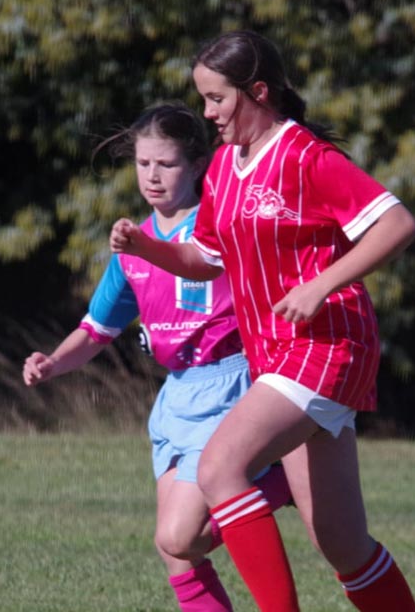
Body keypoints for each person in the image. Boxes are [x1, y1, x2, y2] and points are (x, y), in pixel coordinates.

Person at [109, 31, 415, 612]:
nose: (207, 113)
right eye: (202, 98)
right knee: (343, 546)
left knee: (221, 465)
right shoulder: (226, 166)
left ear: (257, 92)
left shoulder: (305, 156)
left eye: (217, 99)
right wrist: (143, 247)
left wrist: (322, 284)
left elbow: (397, 224)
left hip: (326, 343)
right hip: (277, 358)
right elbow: (204, 260)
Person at [23, 102, 291, 612]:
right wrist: (54, 363)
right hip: (176, 398)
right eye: (143, 164)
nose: (152, 176)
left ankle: (278, 481)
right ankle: (272, 482)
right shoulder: (134, 244)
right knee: (176, 554)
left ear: (195, 165)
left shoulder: (222, 226)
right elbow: (96, 329)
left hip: (229, 387)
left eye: (165, 164)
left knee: (180, 537)